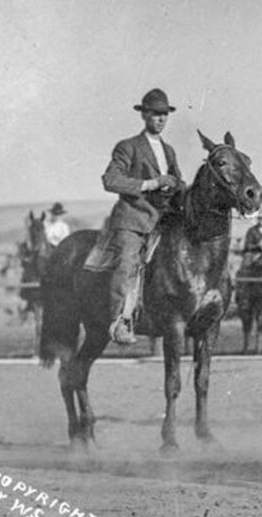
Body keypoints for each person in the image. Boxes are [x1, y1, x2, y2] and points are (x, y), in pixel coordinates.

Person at [84, 88, 185, 345]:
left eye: (164, 114)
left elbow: (178, 183)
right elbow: (111, 180)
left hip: (163, 220)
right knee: (127, 264)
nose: (161, 119)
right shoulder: (128, 146)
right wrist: (150, 184)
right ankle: (119, 321)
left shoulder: (169, 150)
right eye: (155, 114)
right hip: (133, 219)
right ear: (144, 115)